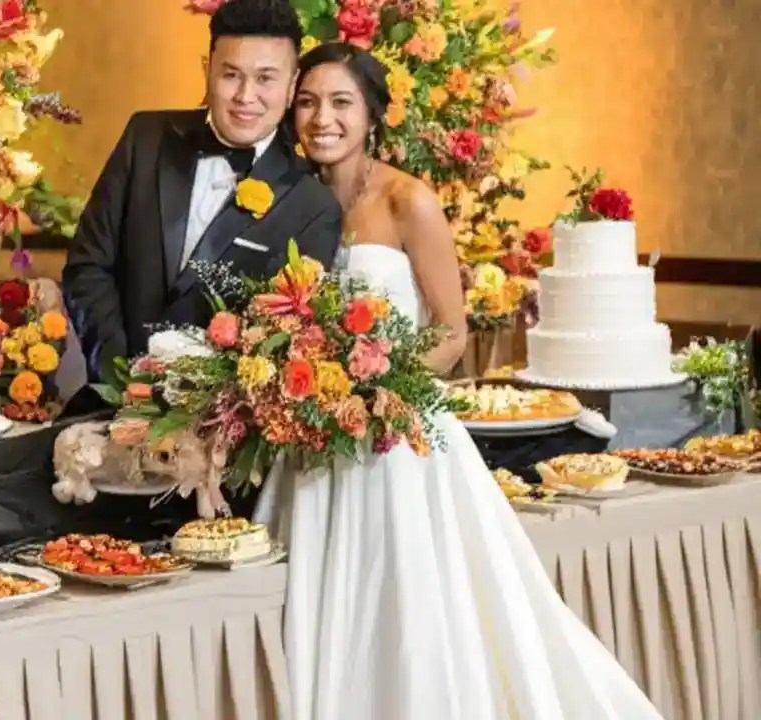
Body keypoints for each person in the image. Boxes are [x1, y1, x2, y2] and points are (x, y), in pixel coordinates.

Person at [253, 42, 665, 719]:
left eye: (340, 102)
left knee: (409, 604)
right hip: (312, 439)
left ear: (372, 115)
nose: (321, 117)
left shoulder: (408, 200)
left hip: (395, 440)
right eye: (307, 101)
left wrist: (383, 390)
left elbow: (451, 330)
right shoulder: (287, 203)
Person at [62, 0, 342, 390]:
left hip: (224, 425)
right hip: (112, 403)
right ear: (207, 69)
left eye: (265, 79)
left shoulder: (314, 206)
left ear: (293, 85)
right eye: (231, 75)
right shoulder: (146, 138)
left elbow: (286, 335)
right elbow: (88, 266)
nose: (246, 96)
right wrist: (118, 378)